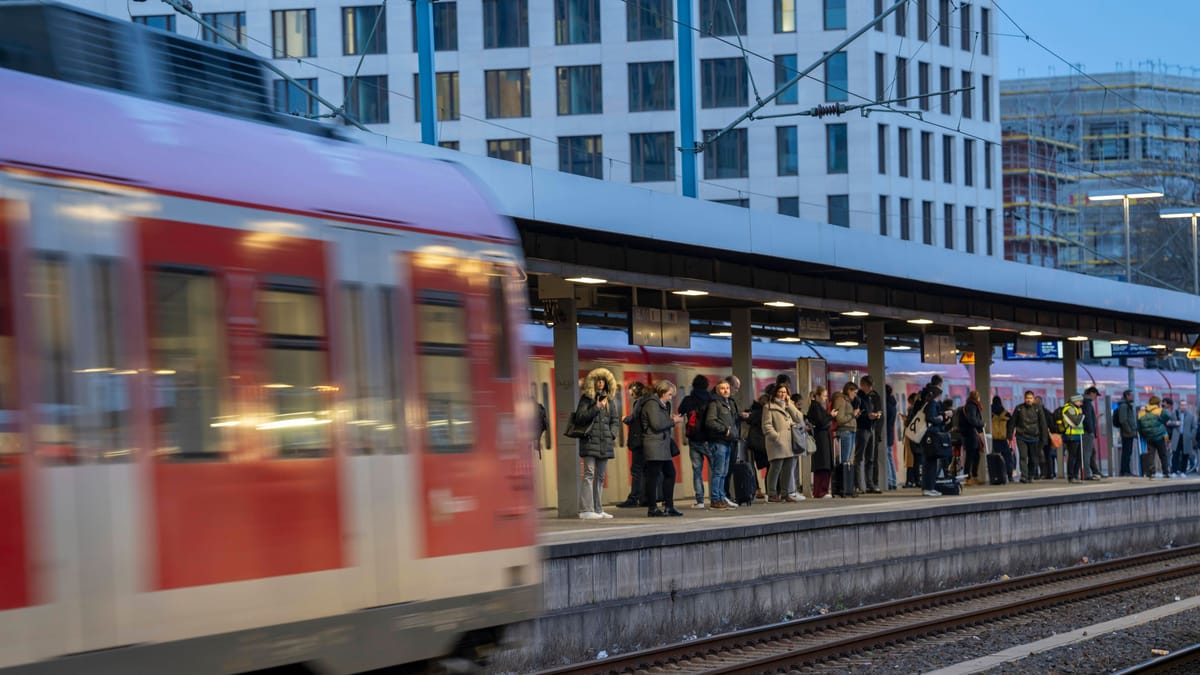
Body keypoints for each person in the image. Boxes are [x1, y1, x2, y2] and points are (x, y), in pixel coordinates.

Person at [574, 368, 619, 520]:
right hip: (590, 442)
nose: (600, 383)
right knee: (589, 475)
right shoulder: (586, 399)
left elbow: (615, 420)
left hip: (604, 442)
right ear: (592, 383)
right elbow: (580, 418)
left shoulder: (610, 401)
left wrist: (611, 434)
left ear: (606, 383)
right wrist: (596, 408)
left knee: (600, 476)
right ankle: (586, 509)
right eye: (597, 380)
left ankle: (598, 509)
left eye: (603, 380)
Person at [639, 380, 684, 517]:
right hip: (654, 445)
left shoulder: (663, 404)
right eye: (670, 394)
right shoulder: (652, 404)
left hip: (661, 446)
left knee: (669, 473)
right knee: (654, 476)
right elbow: (657, 425)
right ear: (662, 393)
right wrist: (673, 421)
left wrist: (670, 418)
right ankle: (652, 508)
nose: (671, 397)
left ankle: (668, 506)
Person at [762, 383, 806, 502]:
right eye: (780, 392)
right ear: (775, 393)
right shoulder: (768, 407)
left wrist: (790, 405)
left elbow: (799, 418)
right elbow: (766, 425)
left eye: (785, 392)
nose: (782, 394)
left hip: (790, 441)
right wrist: (776, 436)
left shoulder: (788, 405)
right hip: (777, 442)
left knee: (788, 467)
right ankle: (771, 493)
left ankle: (785, 493)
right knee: (776, 467)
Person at [678, 375, 715, 509]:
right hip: (709, 439)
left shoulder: (689, 399)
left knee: (697, 471)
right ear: (706, 386)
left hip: (694, 439)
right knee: (716, 470)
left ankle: (700, 501)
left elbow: (680, 411)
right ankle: (717, 498)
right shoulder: (711, 399)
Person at [617, 381, 655, 508]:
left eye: (631, 392)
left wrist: (624, 419)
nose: (630, 394)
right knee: (645, 470)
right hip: (647, 441)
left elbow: (634, 419)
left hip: (639, 441)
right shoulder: (649, 400)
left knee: (637, 470)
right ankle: (646, 498)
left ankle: (633, 498)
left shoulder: (640, 402)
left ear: (635, 391)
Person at [704, 379, 741, 509]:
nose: (726, 390)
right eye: (722, 388)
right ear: (717, 390)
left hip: (728, 442)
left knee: (724, 471)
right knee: (718, 471)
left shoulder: (730, 403)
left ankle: (721, 497)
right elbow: (710, 421)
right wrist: (725, 430)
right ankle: (715, 499)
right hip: (718, 441)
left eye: (727, 388)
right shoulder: (715, 404)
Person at [1012, 391, 1049, 484]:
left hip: (1034, 437)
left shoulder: (1038, 409)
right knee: (1023, 456)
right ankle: (1024, 476)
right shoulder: (1019, 409)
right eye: (1027, 398)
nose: (1029, 400)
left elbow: (1043, 424)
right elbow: (1012, 422)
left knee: (1033, 458)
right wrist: (1009, 435)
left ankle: (1030, 475)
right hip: (1021, 436)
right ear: (1024, 398)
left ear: (1033, 399)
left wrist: (1044, 438)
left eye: (1030, 398)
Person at [854, 376, 882, 494]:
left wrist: (876, 415)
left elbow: (875, 409)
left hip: (871, 429)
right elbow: (856, 414)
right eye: (868, 386)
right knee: (860, 457)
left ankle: (870, 483)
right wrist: (867, 416)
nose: (870, 388)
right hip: (862, 429)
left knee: (870, 458)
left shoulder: (870, 397)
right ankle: (860, 485)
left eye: (871, 386)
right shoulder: (858, 398)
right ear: (862, 385)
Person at [807, 386, 835, 498]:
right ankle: (820, 491)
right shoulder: (815, 407)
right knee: (823, 465)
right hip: (821, 438)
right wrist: (830, 416)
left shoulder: (816, 406)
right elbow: (821, 422)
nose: (825, 398)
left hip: (822, 438)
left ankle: (820, 490)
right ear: (817, 396)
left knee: (823, 465)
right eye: (823, 396)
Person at [745, 390, 770, 500]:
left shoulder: (753, 412)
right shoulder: (762, 412)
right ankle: (765, 490)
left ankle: (757, 489)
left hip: (754, 443)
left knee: (753, 467)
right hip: (761, 443)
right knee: (770, 466)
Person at [1138, 395, 1170, 479]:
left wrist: (1143, 435)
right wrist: (1161, 421)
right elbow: (1168, 416)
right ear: (1158, 403)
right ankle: (1165, 472)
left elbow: (1139, 426)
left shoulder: (1142, 412)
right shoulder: (1159, 411)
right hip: (1159, 436)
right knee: (1163, 454)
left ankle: (1151, 472)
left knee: (1150, 455)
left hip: (1148, 437)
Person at [959, 391, 985, 485]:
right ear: (976, 397)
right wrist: (981, 424)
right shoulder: (972, 406)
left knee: (975, 455)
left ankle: (972, 476)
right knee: (971, 456)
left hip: (970, 434)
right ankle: (969, 477)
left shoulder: (970, 405)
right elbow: (972, 419)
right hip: (970, 435)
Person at [1061, 393, 1085, 483]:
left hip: (1077, 436)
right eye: (1080, 401)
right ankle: (1071, 476)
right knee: (1072, 456)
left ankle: (1075, 475)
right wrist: (1081, 415)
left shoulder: (1075, 408)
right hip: (1071, 436)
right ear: (1074, 401)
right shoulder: (1069, 409)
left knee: (1078, 456)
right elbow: (1075, 422)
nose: (1081, 403)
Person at [832, 382, 858, 464]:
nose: (855, 395)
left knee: (847, 460)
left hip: (850, 430)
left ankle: (845, 475)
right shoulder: (841, 400)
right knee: (845, 460)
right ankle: (842, 476)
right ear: (849, 390)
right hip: (845, 431)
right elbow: (839, 419)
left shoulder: (847, 401)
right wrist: (852, 415)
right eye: (854, 392)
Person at [1114, 389, 1138, 476]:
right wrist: (1130, 431)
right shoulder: (1124, 406)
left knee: (1128, 452)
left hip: (1128, 433)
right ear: (1127, 396)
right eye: (1131, 395)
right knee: (1126, 452)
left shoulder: (1127, 405)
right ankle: (1125, 471)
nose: (1133, 397)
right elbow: (1123, 420)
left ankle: (1126, 470)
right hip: (1127, 433)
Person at [990, 395, 1014, 480]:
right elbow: (1011, 425)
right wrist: (1009, 435)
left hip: (993, 439)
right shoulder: (1005, 413)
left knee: (993, 459)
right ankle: (1009, 475)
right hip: (1003, 439)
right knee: (1007, 458)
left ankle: (996, 475)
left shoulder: (990, 412)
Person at [1081, 387, 1101, 481]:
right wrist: (1091, 431)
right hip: (1087, 432)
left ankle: (1096, 472)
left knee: (1092, 452)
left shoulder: (1084, 402)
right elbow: (1087, 418)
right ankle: (1086, 474)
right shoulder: (1087, 403)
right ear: (1092, 393)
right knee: (1087, 453)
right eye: (1096, 395)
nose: (1096, 398)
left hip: (1087, 432)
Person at [884, 384, 898, 490]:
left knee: (888, 456)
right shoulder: (893, 404)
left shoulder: (886, 406)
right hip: (890, 433)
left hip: (886, 434)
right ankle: (893, 480)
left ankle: (890, 480)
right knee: (890, 457)